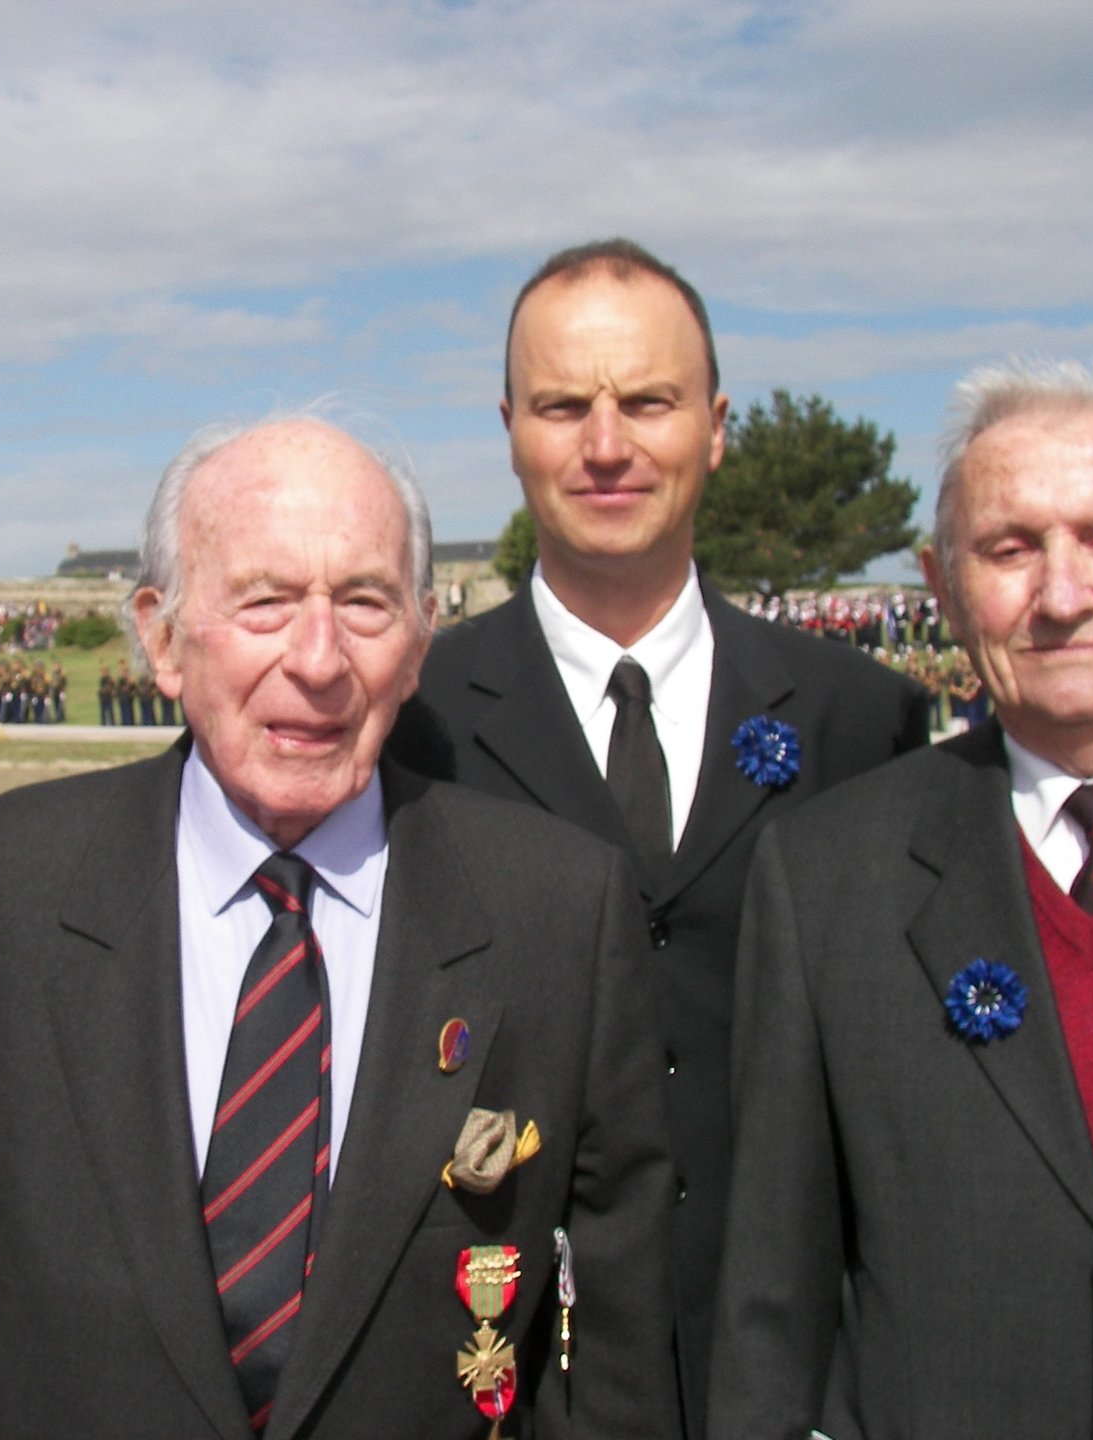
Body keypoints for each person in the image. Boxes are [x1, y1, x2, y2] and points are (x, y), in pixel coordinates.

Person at [0, 416, 675, 1438]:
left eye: (364, 602)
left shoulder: (557, 910)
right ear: (163, 636)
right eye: (264, 601)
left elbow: (617, 1324)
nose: (319, 661)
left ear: (416, 646)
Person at [708, 361, 1093, 1439]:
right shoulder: (826, 880)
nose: (1062, 594)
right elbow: (775, 1304)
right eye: (1009, 550)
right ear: (941, 587)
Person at [387, 237, 929, 1435]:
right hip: (504, 1378)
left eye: (648, 401)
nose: (607, 444)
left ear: (718, 425)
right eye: (563, 405)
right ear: (510, 427)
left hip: (795, 1376)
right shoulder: (407, 724)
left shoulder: (856, 716)